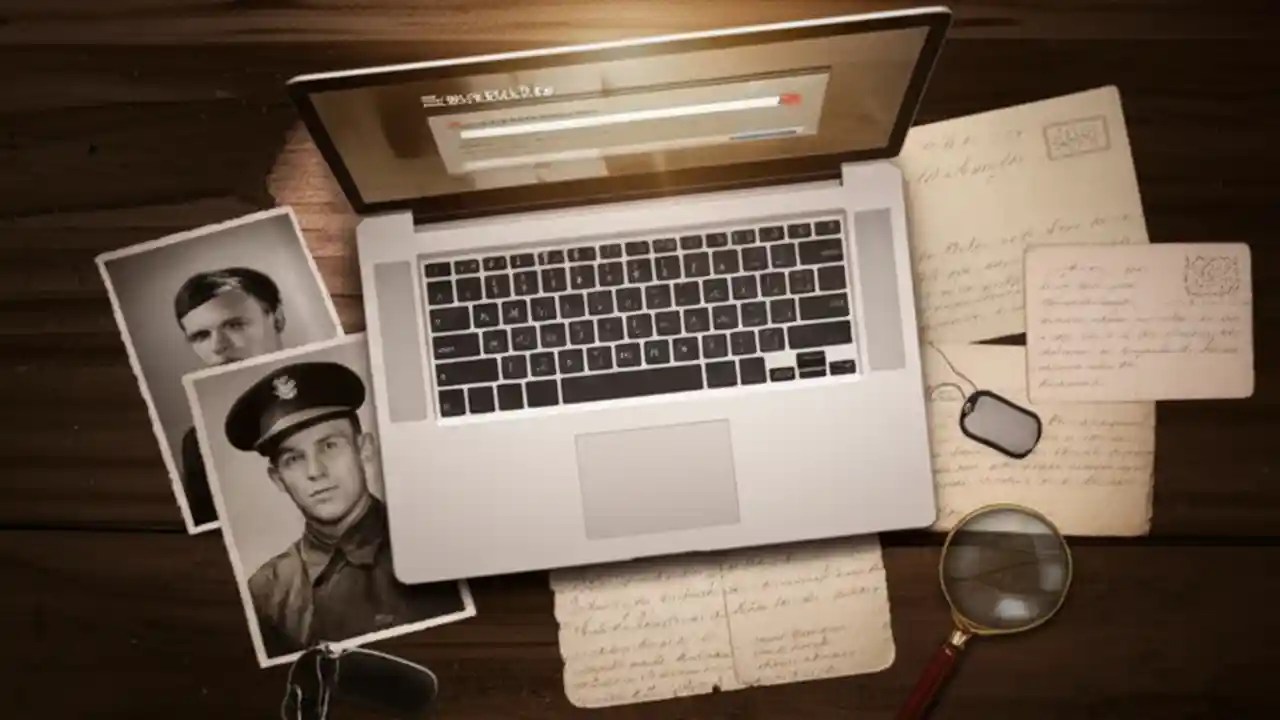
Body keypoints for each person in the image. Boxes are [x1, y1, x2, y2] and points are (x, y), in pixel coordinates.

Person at [224, 361, 464, 657]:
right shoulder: (266, 593)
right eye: (293, 459)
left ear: (363, 449)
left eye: (329, 446)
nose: (315, 471)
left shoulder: (438, 541)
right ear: (278, 479)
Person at [174, 267, 286, 526]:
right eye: (201, 336)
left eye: (235, 324)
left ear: (277, 319)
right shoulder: (198, 443)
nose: (217, 346)